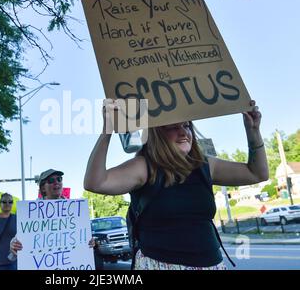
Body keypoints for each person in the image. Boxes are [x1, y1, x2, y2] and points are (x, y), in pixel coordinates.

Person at [83, 99, 269, 270]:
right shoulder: (144, 167)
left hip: (212, 264)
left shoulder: (206, 165)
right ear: (157, 133)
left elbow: (257, 173)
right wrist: (107, 131)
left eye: (186, 125)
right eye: (173, 127)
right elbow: (95, 183)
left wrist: (253, 131)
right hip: (159, 264)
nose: (183, 132)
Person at [9, 170, 97, 267]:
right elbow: (19, 241)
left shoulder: (75, 210)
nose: (56, 182)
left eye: (59, 179)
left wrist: (89, 243)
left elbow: (82, 238)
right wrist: (13, 244)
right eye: (51, 180)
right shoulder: (31, 212)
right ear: (43, 188)